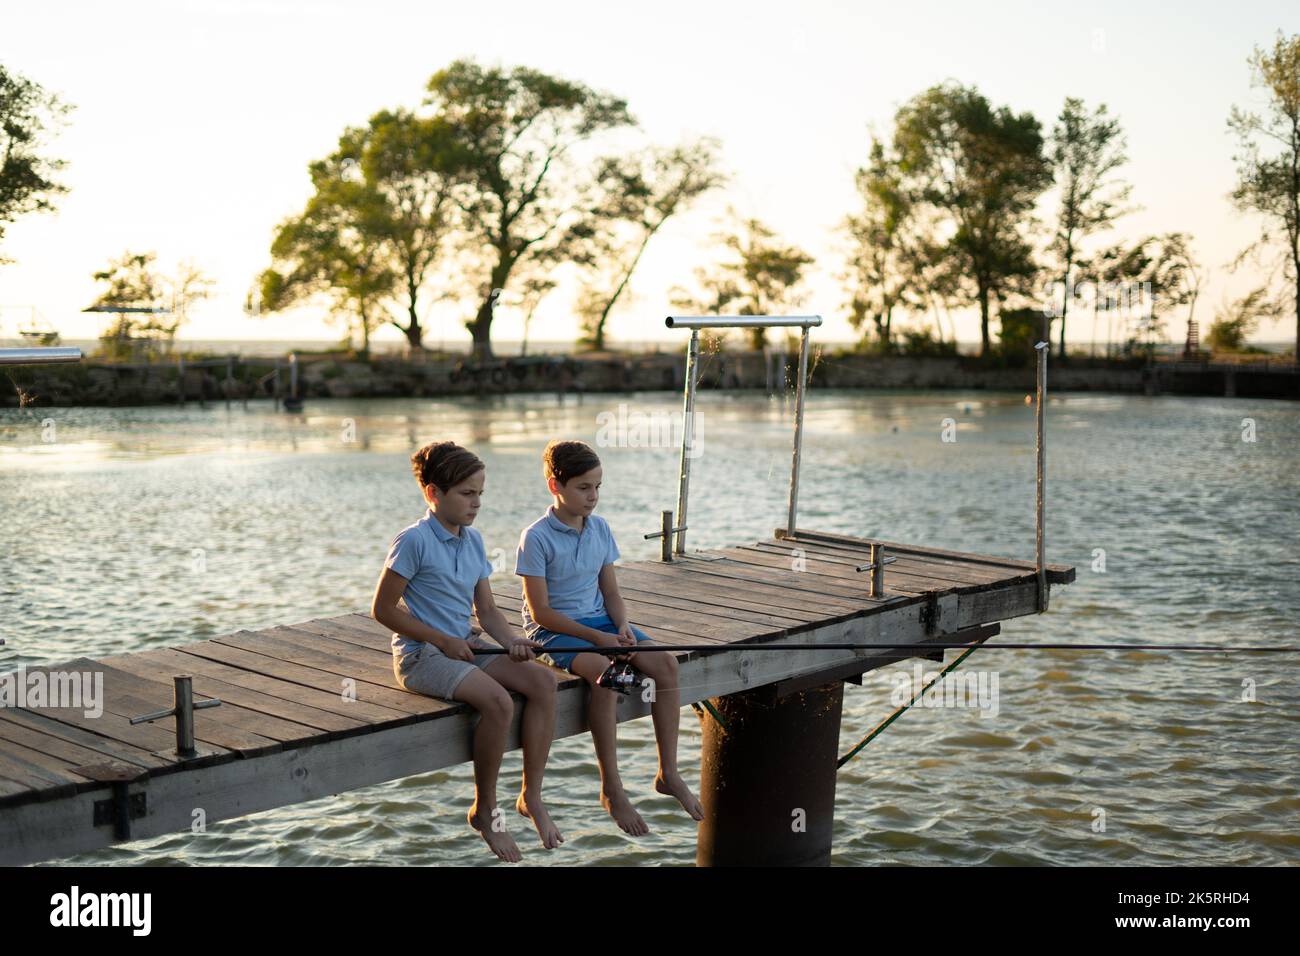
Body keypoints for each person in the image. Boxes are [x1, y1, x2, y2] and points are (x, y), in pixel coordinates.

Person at [371, 441, 561, 861]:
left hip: (466, 647)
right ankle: (486, 808)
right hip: (422, 657)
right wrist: (440, 639)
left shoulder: (474, 542)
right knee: (497, 703)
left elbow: (487, 610)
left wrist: (510, 640)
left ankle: (531, 795)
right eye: (466, 493)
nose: (476, 503)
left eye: (480, 494)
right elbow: (382, 609)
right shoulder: (413, 541)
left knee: (544, 682)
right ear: (433, 493)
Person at [515, 439, 703, 836]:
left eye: (598, 487)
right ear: (556, 486)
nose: (593, 496)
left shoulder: (600, 529)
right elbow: (539, 612)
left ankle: (668, 773)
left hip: (602, 623)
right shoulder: (536, 537)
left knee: (665, 663)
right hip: (554, 631)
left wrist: (621, 628)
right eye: (584, 487)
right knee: (606, 676)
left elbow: (612, 593)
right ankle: (612, 789)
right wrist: (596, 640)